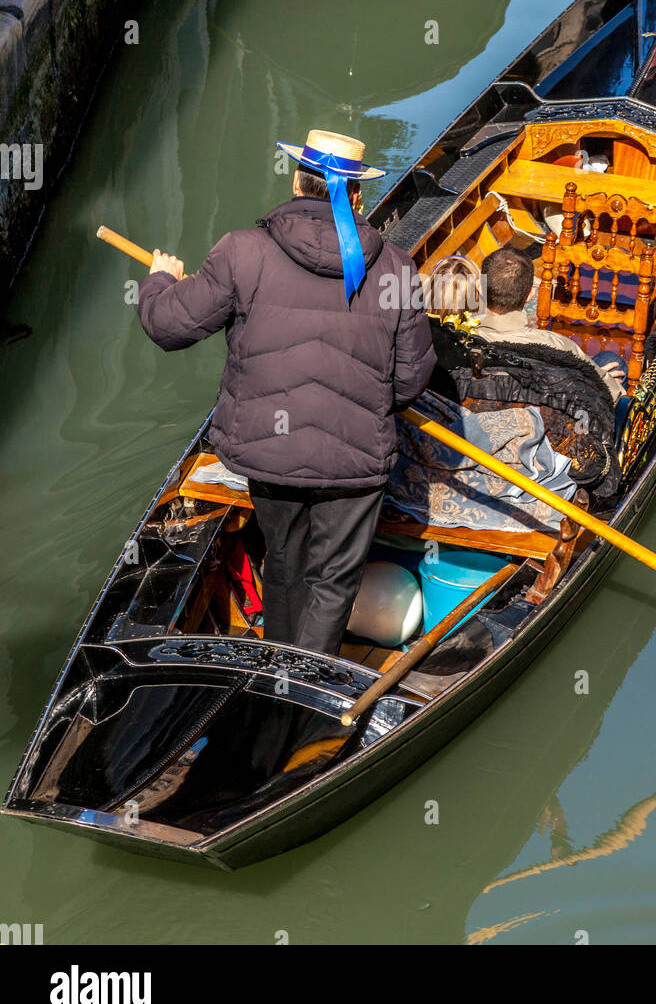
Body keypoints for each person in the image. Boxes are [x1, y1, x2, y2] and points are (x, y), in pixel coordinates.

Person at [136, 129, 436, 656]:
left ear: (297, 180)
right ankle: (306, 690)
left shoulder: (241, 251)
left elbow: (168, 326)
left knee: (284, 559)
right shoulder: (396, 269)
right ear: (358, 195)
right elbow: (410, 380)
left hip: (268, 451)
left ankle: (275, 672)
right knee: (332, 580)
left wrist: (159, 280)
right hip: (355, 460)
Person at [472, 246, 626, 401]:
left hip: (483, 409)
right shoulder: (557, 346)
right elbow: (616, 395)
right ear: (530, 295)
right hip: (544, 415)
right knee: (612, 361)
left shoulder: (460, 339)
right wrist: (599, 380)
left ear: (479, 287)